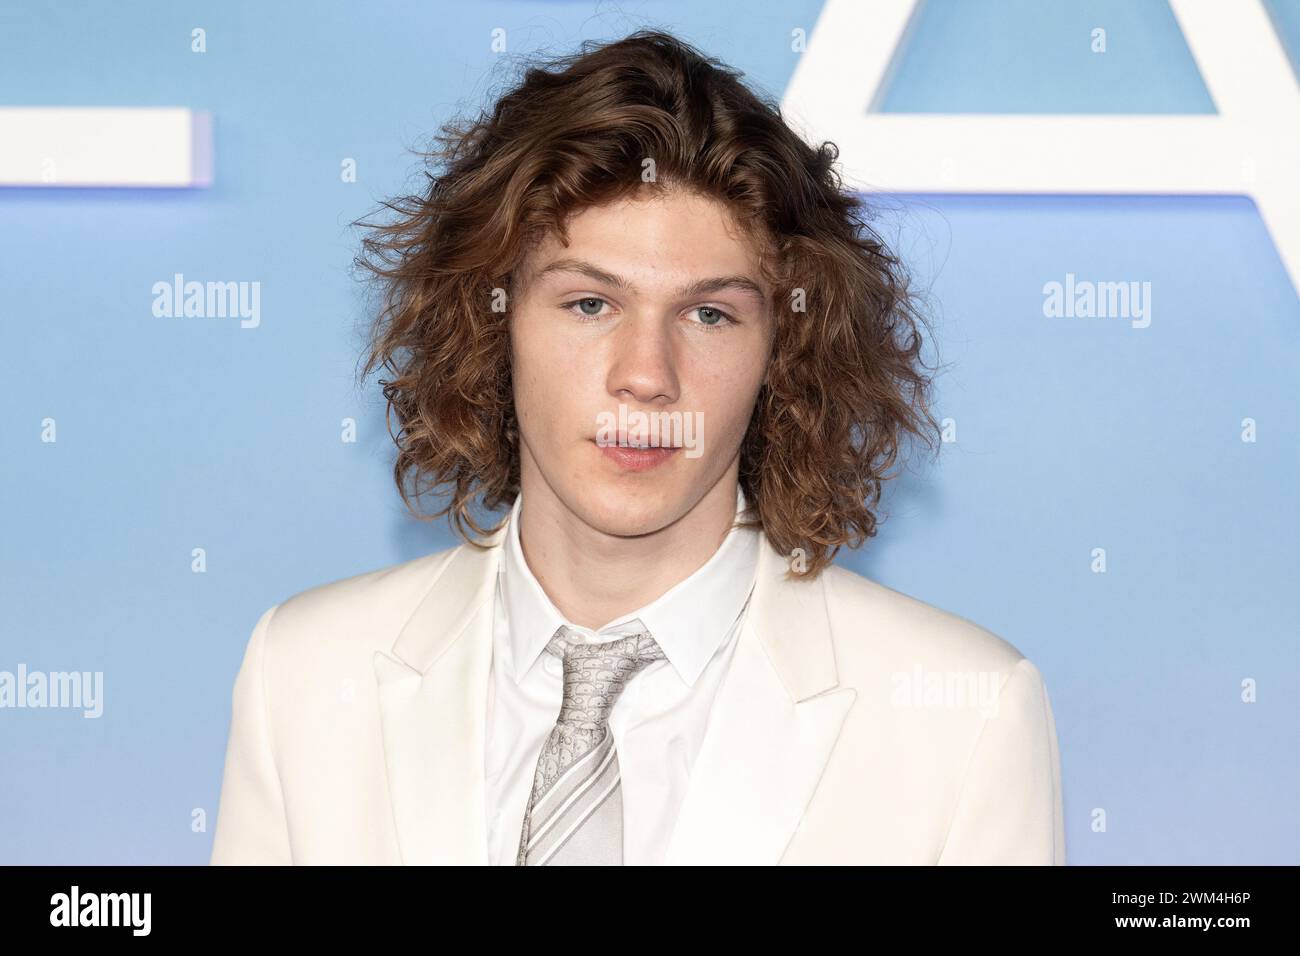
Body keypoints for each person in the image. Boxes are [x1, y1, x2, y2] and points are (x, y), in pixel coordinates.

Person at [210, 29, 1064, 865]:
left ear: (784, 353)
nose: (646, 375)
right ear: (491, 321)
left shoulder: (964, 717)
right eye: (590, 304)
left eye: (709, 314)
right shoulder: (306, 673)